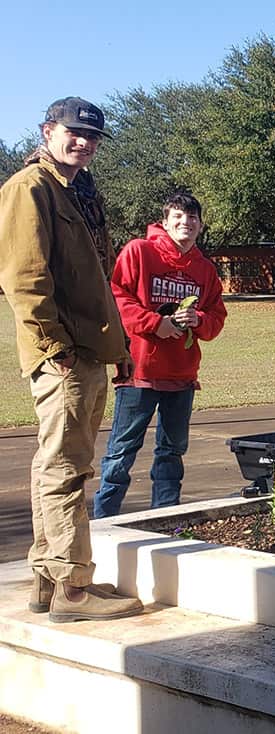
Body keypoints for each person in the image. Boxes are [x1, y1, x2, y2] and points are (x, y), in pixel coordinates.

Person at [0, 97, 143, 622]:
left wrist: (118, 348)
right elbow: (23, 279)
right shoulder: (28, 190)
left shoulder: (76, 191)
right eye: (74, 132)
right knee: (66, 468)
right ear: (47, 131)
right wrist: (54, 347)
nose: (83, 142)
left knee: (58, 465)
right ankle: (73, 589)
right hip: (64, 355)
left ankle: (48, 582)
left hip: (89, 350)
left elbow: (95, 282)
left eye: (92, 136)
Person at [93, 193, 227, 518]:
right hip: (140, 372)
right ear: (165, 222)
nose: (186, 223)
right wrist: (156, 324)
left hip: (181, 376)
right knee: (121, 452)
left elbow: (216, 317)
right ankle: (104, 521)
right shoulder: (139, 252)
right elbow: (116, 296)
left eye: (193, 218)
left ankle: (165, 518)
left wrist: (200, 320)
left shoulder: (204, 269)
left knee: (172, 452)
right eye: (179, 217)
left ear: (201, 225)